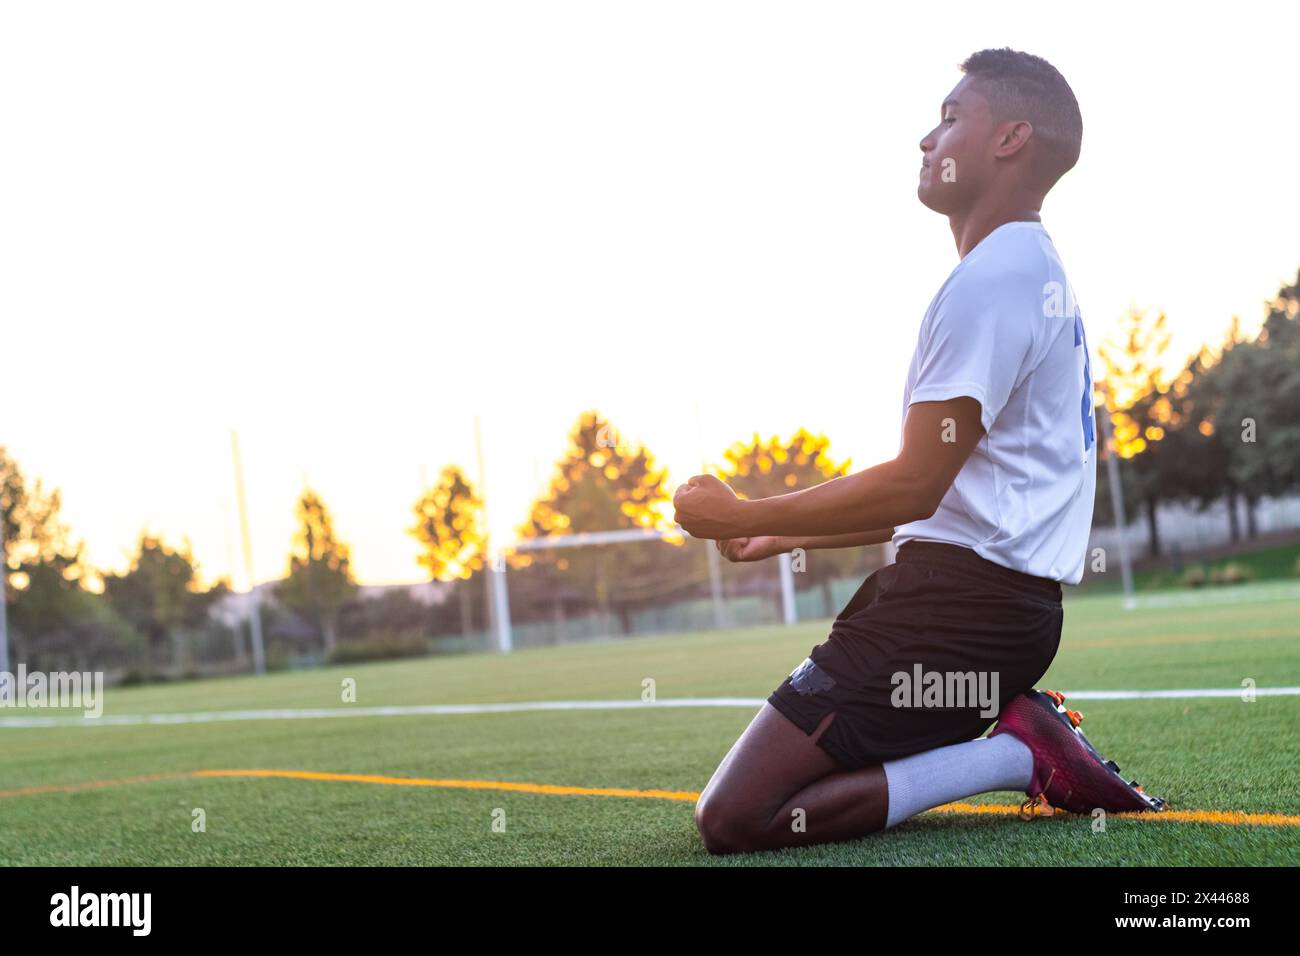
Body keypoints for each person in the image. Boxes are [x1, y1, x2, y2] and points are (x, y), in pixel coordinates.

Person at [672, 48, 1164, 855]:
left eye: (949, 118)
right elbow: (951, 493)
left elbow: (914, 483)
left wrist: (744, 510)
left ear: (1009, 139)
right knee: (766, 797)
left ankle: (1015, 753)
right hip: (988, 610)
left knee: (738, 817)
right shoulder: (1027, 270)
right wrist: (792, 532)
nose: (927, 139)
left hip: (953, 617)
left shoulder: (996, 276)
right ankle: (1016, 738)